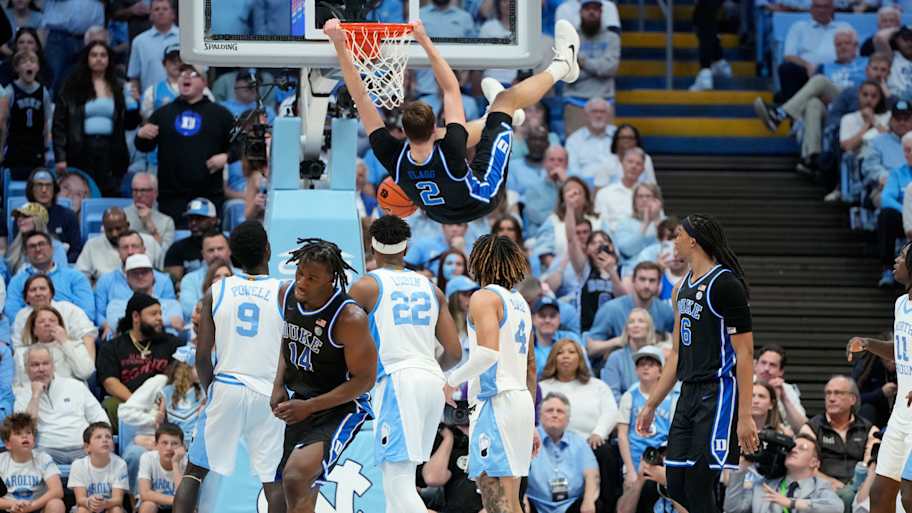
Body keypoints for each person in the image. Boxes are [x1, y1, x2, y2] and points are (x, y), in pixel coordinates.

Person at [327, 18, 581, 224]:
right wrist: (424, 41)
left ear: (403, 131)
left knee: (483, 122)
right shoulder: (439, 147)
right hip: (482, 196)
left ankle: (497, 118)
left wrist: (340, 47)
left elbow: (361, 96)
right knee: (505, 99)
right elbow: (450, 89)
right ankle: (564, 64)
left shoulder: (403, 153)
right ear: (433, 127)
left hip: (440, 213)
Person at [635, 213, 758, 513]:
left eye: (678, 234)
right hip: (688, 392)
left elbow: (745, 354)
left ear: (693, 241)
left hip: (718, 393)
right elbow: (676, 354)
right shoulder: (680, 289)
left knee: (700, 484)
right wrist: (651, 404)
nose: (673, 240)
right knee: (676, 483)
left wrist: (744, 416)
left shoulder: (725, 284)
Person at [347, 215, 462, 512]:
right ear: (407, 248)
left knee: (398, 483)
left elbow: (341, 340)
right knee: (399, 483)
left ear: (372, 247)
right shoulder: (432, 288)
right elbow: (454, 352)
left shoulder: (365, 286)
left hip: (398, 382)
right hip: (431, 380)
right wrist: (427, 368)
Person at [172, 221, 286, 513]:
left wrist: (214, 390)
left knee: (194, 473)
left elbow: (202, 356)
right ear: (268, 250)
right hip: (267, 392)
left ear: (233, 254)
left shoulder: (217, 290)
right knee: (273, 481)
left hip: (227, 386)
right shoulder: (283, 292)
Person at [268, 237, 377, 513]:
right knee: (279, 497)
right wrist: (278, 384)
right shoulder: (287, 295)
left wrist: (311, 406)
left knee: (296, 477)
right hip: (301, 401)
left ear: (330, 280)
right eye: (299, 273)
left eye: (312, 278)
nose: (302, 282)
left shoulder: (349, 318)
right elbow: (288, 342)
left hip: (340, 406)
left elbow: (365, 380)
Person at [442, 233, 537, 513]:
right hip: (520, 401)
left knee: (495, 497)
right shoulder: (521, 303)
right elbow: (531, 366)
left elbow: (488, 354)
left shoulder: (484, 297)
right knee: (512, 500)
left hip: (497, 402)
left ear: (478, 262)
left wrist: (450, 381)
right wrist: (530, 421)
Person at [134, 64, 235, 223]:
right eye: (182, 73)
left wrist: (227, 157)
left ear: (204, 82)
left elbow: (242, 145)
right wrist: (141, 135)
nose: (186, 76)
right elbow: (144, 146)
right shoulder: (163, 113)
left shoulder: (220, 114)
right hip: (171, 197)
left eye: (193, 73)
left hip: (209, 196)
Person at [538, 339, 619, 512]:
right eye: (560, 352)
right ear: (553, 358)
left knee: (606, 452)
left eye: (571, 352)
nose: (566, 356)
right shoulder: (541, 387)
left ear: (580, 358)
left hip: (589, 444)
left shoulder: (597, 386)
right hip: (549, 446)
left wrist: (599, 433)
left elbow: (611, 412)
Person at [53, 41, 135, 197]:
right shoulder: (72, 86)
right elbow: (59, 124)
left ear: (109, 59)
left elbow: (130, 123)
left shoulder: (118, 87)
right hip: (80, 149)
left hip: (110, 150)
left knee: (109, 193)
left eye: (103, 55)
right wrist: (60, 157)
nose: (99, 59)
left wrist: (133, 104)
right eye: (94, 55)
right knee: (82, 193)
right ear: (87, 58)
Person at [13, 345, 109, 465]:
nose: (41, 369)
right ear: (26, 369)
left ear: (53, 366)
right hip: (47, 452)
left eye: (45, 363)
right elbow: (24, 430)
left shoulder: (75, 386)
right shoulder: (22, 394)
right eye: (35, 365)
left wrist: (93, 444)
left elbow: (100, 418)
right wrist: (35, 396)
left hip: (83, 449)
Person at [96, 293, 182, 425]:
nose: (160, 318)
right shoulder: (112, 347)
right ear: (136, 316)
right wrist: (137, 404)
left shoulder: (172, 343)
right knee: (110, 405)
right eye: (153, 314)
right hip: (127, 402)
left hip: (163, 403)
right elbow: (110, 382)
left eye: (160, 313)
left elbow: (180, 376)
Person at [800, 376, 879, 508]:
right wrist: (829, 482)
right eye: (828, 393)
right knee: (845, 497)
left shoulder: (869, 429)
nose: (831, 398)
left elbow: (871, 464)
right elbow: (804, 465)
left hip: (860, 488)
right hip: (821, 487)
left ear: (852, 399)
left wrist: (862, 486)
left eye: (838, 393)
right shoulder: (812, 427)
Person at [616, 345, 677, 513]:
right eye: (641, 364)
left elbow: (674, 435)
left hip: (661, 460)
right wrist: (629, 469)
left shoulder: (672, 399)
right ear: (636, 370)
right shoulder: (629, 396)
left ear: (661, 371)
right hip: (634, 460)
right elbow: (622, 435)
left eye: (651, 364)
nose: (645, 367)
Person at [724, 433, 843, 513]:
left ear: (814, 462)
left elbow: (836, 507)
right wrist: (740, 469)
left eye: (802, 448)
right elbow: (732, 509)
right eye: (792, 447)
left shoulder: (820, 487)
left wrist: (790, 503)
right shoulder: (764, 485)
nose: (794, 450)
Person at [526, 392, 599, 513]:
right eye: (549, 410)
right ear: (539, 415)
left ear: (568, 419)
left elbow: (592, 474)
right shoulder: (529, 440)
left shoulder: (579, 442)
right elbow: (518, 475)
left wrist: (588, 501)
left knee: (596, 505)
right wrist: (521, 498)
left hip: (571, 505)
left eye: (560, 411)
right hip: (535, 504)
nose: (554, 415)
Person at [5, 231, 94, 322]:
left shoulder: (75, 277)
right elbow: (12, 313)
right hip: (30, 327)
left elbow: (87, 311)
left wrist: (58, 324)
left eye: (41, 244)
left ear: (52, 248)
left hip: (70, 326)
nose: (38, 249)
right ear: (26, 253)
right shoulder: (17, 281)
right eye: (32, 246)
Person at [587, 262, 675, 343]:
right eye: (642, 279)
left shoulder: (665, 311)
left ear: (659, 283)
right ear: (633, 280)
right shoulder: (611, 309)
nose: (646, 285)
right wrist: (619, 342)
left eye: (652, 280)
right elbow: (591, 347)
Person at [11, 273, 97, 353]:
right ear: (26, 297)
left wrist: (88, 364)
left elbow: (87, 335)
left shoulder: (68, 309)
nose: (38, 293)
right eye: (33, 290)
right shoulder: (21, 316)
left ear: (51, 293)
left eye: (42, 289)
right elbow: (18, 347)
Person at [0, 49, 52, 179]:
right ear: (16, 68)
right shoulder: (10, 91)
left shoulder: (43, 92)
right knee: (14, 179)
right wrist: (1, 149)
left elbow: (47, 122)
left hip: (36, 147)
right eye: (24, 62)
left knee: (35, 180)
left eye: (32, 61)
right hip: (15, 146)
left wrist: (47, 148)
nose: (29, 64)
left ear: (37, 67)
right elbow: (4, 122)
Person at [0, 412, 65, 513]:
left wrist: (32, 506)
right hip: (10, 509)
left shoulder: (43, 458)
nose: (24, 436)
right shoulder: (1, 460)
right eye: (18, 433)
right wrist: (12, 504)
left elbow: (57, 490)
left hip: (37, 508)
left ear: (34, 440)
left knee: (56, 504)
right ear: (8, 444)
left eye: (28, 432)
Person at [76, 207, 163, 282]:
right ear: (103, 229)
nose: (114, 234)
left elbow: (163, 272)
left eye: (118, 229)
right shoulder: (92, 245)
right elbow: (80, 278)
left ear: (127, 225)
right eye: (109, 230)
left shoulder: (149, 242)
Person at [16, 305, 95, 385]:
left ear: (60, 326)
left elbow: (86, 373)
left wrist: (65, 342)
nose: (47, 324)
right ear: (34, 330)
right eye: (41, 321)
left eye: (52, 321)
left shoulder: (76, 345)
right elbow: (18, 384)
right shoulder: (22, 353)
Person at [600, 308, 662, 402]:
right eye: (631, 322)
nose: (635, 325)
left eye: (641, 321)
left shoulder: (659, 355)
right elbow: (611, 396)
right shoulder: (615, 358)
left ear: (649, 327)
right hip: (624, 407)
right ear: (627, 329)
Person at [68, 422, 128, 513]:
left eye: (108, 437)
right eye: (98, 437)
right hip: (87, 505)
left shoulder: (120, 464)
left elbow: (118, 500)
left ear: (113, 446)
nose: (105, 440)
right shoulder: (78, 465)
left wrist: (105, 504)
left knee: (116, 510)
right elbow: (80, 499)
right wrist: (89, 502)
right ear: (87, 447)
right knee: (82, 510)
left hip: (110, 505)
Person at [24, 169, 81, 262]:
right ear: (31, 189)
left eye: (48, 185)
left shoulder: (68, 216)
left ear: (54, 189)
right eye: (39, 185)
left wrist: (57, 266)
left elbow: (75, 251)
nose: (44, 190)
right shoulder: (23, 217)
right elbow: (20, 251)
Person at [126, 0, 178, 97]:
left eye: (165, 9)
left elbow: (199, 71)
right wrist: (137, 98)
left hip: (182, 100)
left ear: (173, 14)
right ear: (150, 15)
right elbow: (134, 77)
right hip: (150, 101)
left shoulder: (185, 38)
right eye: (156, 9)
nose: (161, 12)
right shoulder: (139, 42)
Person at [162, 198, 220, 281]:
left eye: (199, 218)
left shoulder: (227, 244)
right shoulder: (177, 248)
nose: (193, 223)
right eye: (190, 218)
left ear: (213, 220)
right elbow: (173, 282)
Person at [753, 345, 808, 432]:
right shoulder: (742, 385)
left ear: (781, 371)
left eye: (772, 365)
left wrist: (784, 399)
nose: (766, 368)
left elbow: (803, 428)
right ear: (755, 365)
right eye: (763, 363)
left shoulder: (787, 390)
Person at [178, 231, 231, 319]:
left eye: (220, 249)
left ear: (229, 251)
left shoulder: (241, 276)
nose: (216, 254)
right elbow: (189, 309)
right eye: (211, 250)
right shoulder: (190, 279)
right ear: (203, 254)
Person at [565, 98, 617, 185]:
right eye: (594, 111)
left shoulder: (618, 135)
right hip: (586, 187)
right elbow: (573, 171)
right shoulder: (573, 140)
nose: (598, 115)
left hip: (616, 187)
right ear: (586, 115)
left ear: (608, 115)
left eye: (602, 112)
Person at [137, 423, 186, 513]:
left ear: (182, 446)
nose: (169, 448)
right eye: (164, 443)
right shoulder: (147, 458)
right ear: (156, 445)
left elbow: (184, 497)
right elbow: (145, 493)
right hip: (156, 505)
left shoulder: (187, 462)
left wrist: (175, 464)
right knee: (148, 506)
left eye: (174, 443)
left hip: (178, 508)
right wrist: (176, 500)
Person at [125, 172, 176, 250]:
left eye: (143, 190)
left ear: (155, 193)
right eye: (135, 190)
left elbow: (164, 253)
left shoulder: (167, 222)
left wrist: (151, 227)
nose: (138, 195)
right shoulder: (122, 216)